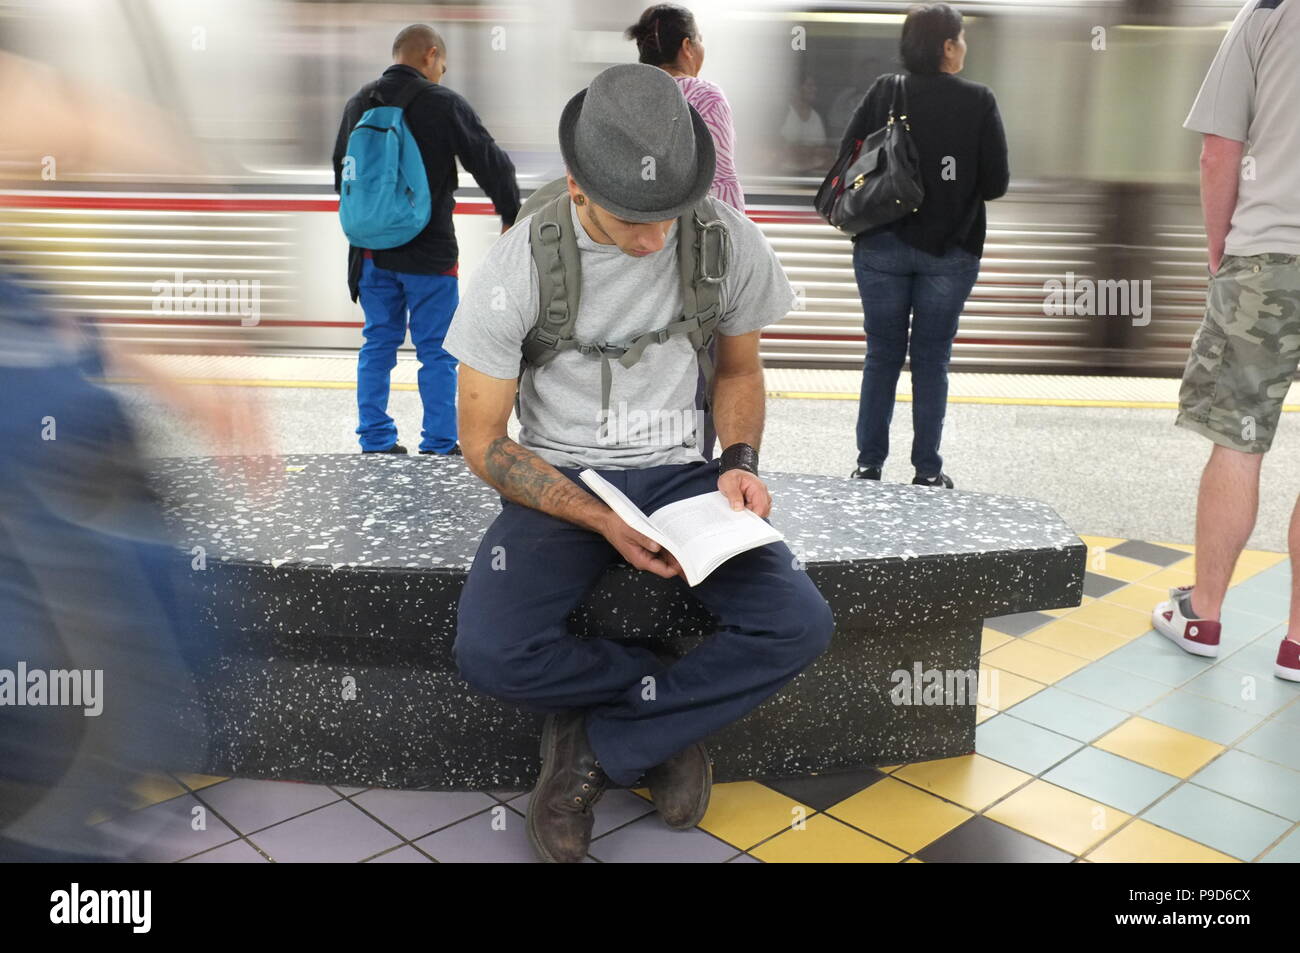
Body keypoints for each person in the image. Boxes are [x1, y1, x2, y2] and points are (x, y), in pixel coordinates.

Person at [444, 64, 833, 863]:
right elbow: (483, 440)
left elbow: (739, 371)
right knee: (491, 650)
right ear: (580, 187)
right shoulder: (518, 264)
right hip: (564, 481)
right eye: (633, 217)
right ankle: (665, 706)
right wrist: (600, 519)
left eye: (671, 211)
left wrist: (738, 460)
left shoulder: (724, 237)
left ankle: (599, 747)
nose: (657, 237)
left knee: (798, 621)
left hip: (685, 473)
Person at [1153, 0, 1300, 682]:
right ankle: (1299, 642)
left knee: (1239, 439)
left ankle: (1204, 613)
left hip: (1267, 258)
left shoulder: (1268, 11)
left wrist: (1221, 258)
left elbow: (1218, 150)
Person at [838, 2, 1008, 489]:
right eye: (962, 39)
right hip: (949, 253)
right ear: (948, 46)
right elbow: (995, 183)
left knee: (882, 355)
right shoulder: (979, 101)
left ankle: (868, 465)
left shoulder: (883, 92)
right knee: (931, 360)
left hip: (881, 244)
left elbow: (849, 159)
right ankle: (927, 470)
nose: (965, 48)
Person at [332, 24, 520, 456]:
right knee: (436, 348)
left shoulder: (359, 103)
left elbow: (341, 174)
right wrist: (509, 215)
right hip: (430, 251)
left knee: (378, 341)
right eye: (442, 67)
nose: (441, 74)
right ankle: (439, 440)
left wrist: (370, 223)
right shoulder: (443, 103)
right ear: (430, 55)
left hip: (370, 252)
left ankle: (375, 437)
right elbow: (492, 162)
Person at [625, 3, 743, 460]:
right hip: (694, 262)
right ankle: (692, 468)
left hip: (629, 257)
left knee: (640, 363)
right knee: (704, 367)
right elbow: (722, 188)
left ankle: (639, 464)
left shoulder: (619, 94)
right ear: (688, 46)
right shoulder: (703, 95)